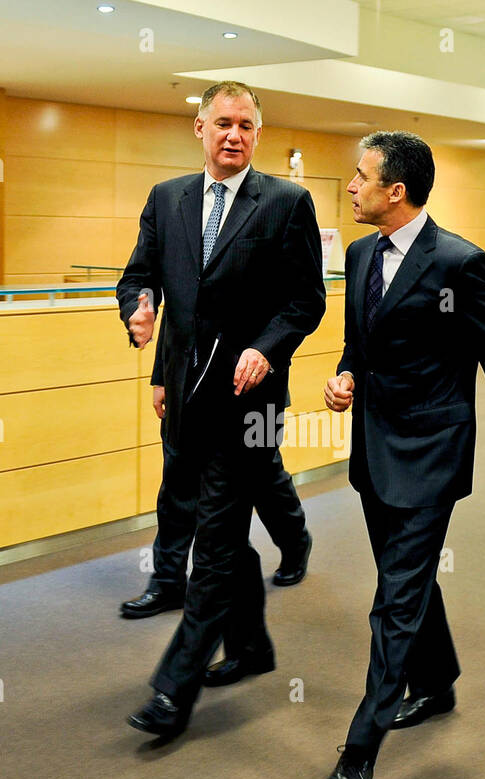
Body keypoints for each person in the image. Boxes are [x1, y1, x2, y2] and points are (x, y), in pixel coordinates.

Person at [323, 131, 485, 779]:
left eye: (361, 177)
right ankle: (438, 678)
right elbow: (358, 344)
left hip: (431, 452)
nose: (351, 187)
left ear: (396, 191)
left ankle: (361, 747)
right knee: (408, 577)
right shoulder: (361, 253)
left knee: (395, 598)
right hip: (374, 447)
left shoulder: (460, 264)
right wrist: (345, 376)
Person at [117, 81, 325, 735]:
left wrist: (266, 348)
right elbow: (140, 277)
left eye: (246, 125)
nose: (234, 134)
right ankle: (252, 645)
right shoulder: (168, 197)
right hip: (185, 399)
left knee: (214, 545)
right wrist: (138, 311)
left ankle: (172, 692)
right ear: (200, 128)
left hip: (248, 402)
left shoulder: (287, 203)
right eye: (223, 123)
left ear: (257, 134)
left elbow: (306, 300)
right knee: (223, 532)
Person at [118, 375, 312, 621]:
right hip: (188, 385)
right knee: (177, 483)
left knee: (263, 478)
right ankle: (168, 582)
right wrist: (162, 378)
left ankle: (295, 543)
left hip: (257, 389)